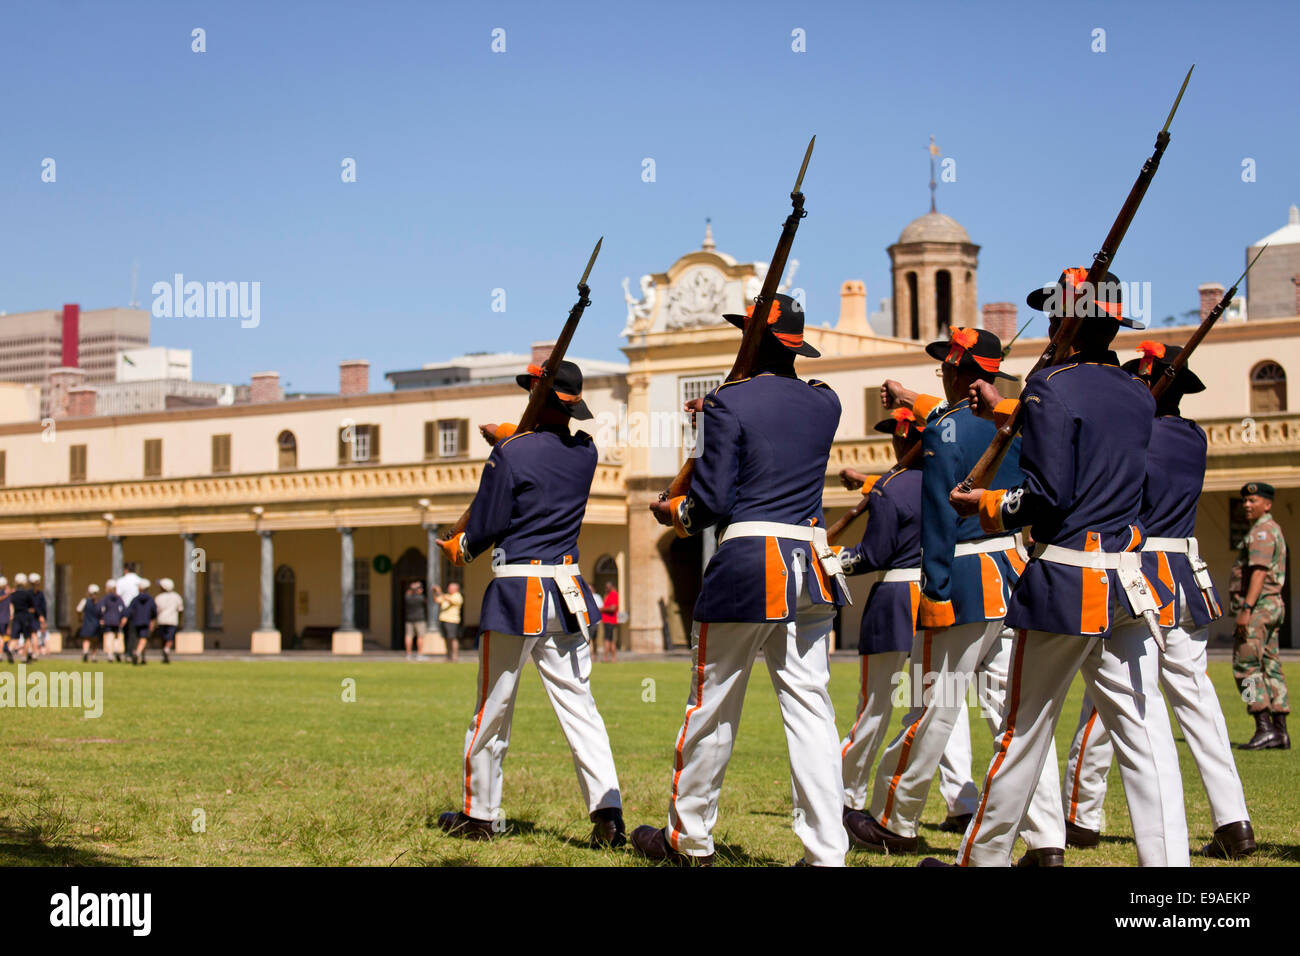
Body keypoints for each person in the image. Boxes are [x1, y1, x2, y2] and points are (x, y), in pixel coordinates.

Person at [946, 267, 1187, 867]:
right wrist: (1014, 408)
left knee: (1023, 730)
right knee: (1146, 739)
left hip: (1066, 577)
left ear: (1071, 321)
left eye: (1056, 314)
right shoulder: (1134, 390)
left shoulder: (1051, 386)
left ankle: (983, 859)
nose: (1051, 323)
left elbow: (1049, 493)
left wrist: (991, 504)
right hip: (1128, 578)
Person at [633, 293, 850, 867]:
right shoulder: (824, 403)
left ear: (752, 340)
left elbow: (708, 501)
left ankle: (690, 839)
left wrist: (672, 514)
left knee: (712, 707)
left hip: (750, 560)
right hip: (810, 563)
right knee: (811, 712)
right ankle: (828, 852)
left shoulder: (727, 404)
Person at [853, 329, 1065, 865]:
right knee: (1017, 717)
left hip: (963, 578)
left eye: (945, 367)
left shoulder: (945, 427)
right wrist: (909, 398)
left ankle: (894, 820)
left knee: (933, 708)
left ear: (955, 369)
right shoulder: (1020, 417)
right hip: (1016, 572)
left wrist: (936, 589)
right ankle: (1046, 837)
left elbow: (940, 517)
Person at [1058, 343, 1255, 860]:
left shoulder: (1137, 438)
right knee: (1198, 704)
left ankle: (1080, 813)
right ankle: (1233, 820)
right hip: (1186, 576)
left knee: (1115, 696)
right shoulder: (1193, 436)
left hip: (1140, 572)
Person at [436, 360, 624, 848]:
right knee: (580, 708)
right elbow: (549, 453)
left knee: (493, 708)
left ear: (538, 399)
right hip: (566, 595)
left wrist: (462, 548)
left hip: (518, 593)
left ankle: (480, 815)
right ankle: (608, 814)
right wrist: (507, 440)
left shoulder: (510, 455)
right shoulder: (585, 452)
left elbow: (489, 522)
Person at [838, 410, 979, 846]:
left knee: (874, 707)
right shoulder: (955, 481)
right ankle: (961, 801)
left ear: (905, 442)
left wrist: (837, 561)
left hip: (896, 598)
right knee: (936, 706)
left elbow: (874, 554)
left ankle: (843, 793)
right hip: (941, 593)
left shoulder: (891, 487)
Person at [1230, 480, 1289, 750]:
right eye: (1244, 501)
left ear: (1268, 504)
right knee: (1271, 665)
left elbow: (1259, 571)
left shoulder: (1262, 532)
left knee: (1246, 667)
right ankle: (1280, 732)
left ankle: (1262, 726)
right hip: (1272, 606)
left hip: (1259, 607)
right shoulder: (1271, 529)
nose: (1247, 505)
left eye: (1253, 501)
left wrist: (1246, 609)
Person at [127, 578, 158, 665]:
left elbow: (130, 610)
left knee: (138, 639)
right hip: (146, 621)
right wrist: (152, 621)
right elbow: (154, 612)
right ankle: (138, 653)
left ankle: (141, 656)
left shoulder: (135, 599)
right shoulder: (150, 599)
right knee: (143, 639)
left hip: (135, 622)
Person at [154, 578, 183, 664]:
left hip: (161, 620)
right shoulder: (176, 596)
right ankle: (167, 649)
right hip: (172, 620)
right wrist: (180, 620)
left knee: (163, 638)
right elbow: (180, 610)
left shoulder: (158, 597)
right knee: (169, 638)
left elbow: (156, 610)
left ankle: (165, 650)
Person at [9, 573, 36, 663]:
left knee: (14, 637)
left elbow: (11, 606)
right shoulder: (27, 594)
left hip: (16, 617)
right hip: (25, 617)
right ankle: (24, 657)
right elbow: (32, 607)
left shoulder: (13, 595)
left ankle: (10, 649)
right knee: (27, 638)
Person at [434, 582, 463, 663]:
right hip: (443, 619)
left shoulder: (457, 596)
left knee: (452, 638)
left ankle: (455, 656)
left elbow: (450, 601)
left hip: (452, 620)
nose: (448, 589)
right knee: (446, 639)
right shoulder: (447, 595)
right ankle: (448, 656)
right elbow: (436, 600)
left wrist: (439, 592)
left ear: (456, 589)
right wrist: (434, 592)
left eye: (450, 588)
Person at [100, 580, 126, 662]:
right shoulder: (119, 598)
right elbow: (123, 609)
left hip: (107, 620)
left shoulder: (106, 598)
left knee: (109, 637)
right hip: (117, 620)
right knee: (116, 637)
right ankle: (117, 651)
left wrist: (101, 618)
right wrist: (122, 617)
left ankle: (110, 654)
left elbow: (100, 608)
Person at [76, 583, 103, 663]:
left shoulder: (85, 601)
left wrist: (79, 618)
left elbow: (78, 610)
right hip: (96, 623)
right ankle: (94, 656)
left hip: (87, 622)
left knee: (86, 639)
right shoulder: (99, 602)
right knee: (95, 640)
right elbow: (102, 612)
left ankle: (85, 652)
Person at [403, 581, 427, 661]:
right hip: (419, 619)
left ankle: (408, 654)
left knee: (409, 636)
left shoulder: (407, 597)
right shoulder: (420, 597)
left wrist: (411, 588)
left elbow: (408, 593)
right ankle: (419, 654)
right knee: (420, 636)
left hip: (409, 619)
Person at [599, 582, 619, 662]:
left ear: (611, 587)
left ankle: (606, 658)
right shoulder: (608, 595)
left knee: (608, 639)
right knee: (610, 639)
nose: (606, 589)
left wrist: (601, 609)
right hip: (607, 620)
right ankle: (611, 658)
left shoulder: (613, 594)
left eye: (607, 587)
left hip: (610, 621)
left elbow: (613, 608)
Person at [30, 572, 48, 658]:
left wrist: (41, 616)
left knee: (34, 635)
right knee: (32, 635)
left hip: (34, 616)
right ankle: (32, 652)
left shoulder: (39, 594)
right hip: (32, 616)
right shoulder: (34, 594)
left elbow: (42, 607)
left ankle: (34, 652)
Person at [0, 577, 10, 661]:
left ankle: (1, 654)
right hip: (5, 619)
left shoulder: (5, 595)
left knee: (1, 637)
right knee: (3, 637)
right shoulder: (7, 596)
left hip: (2, 619)